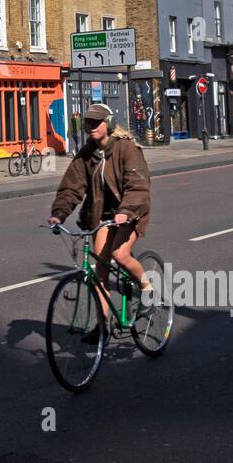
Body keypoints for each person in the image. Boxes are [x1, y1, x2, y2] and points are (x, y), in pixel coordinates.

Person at [48, 103, 153, 340]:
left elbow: (137, 186)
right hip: (103, 216)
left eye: (96, 122)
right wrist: (59, 213)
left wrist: (126, 210)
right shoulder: (87, 154)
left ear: (110, 123)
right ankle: (103, 326)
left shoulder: (127, 149)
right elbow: (71, 187)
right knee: (99, 271)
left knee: (120, 254)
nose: (91, 127)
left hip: (131, 210)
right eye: (88, 123)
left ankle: (147, 288)